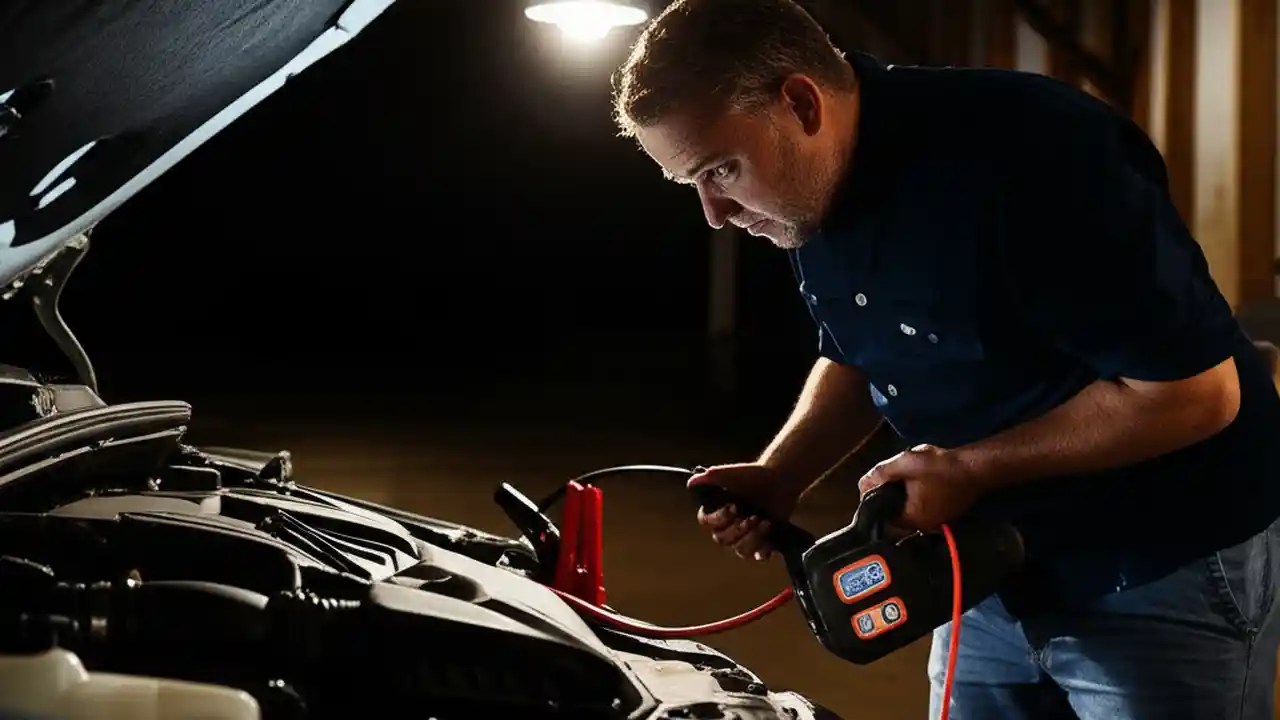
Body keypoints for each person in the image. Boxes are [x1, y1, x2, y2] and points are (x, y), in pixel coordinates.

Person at [610, 1, 1280, 718]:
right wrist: (784, 472)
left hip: (1158, 560)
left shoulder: (1036, 157)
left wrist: (965, 469)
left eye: (720, 170)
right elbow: (863, 352)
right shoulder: (807, 194)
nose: (715, 213)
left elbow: (1196, 395)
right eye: (693, 185)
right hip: (984, 570)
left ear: (802, 102)